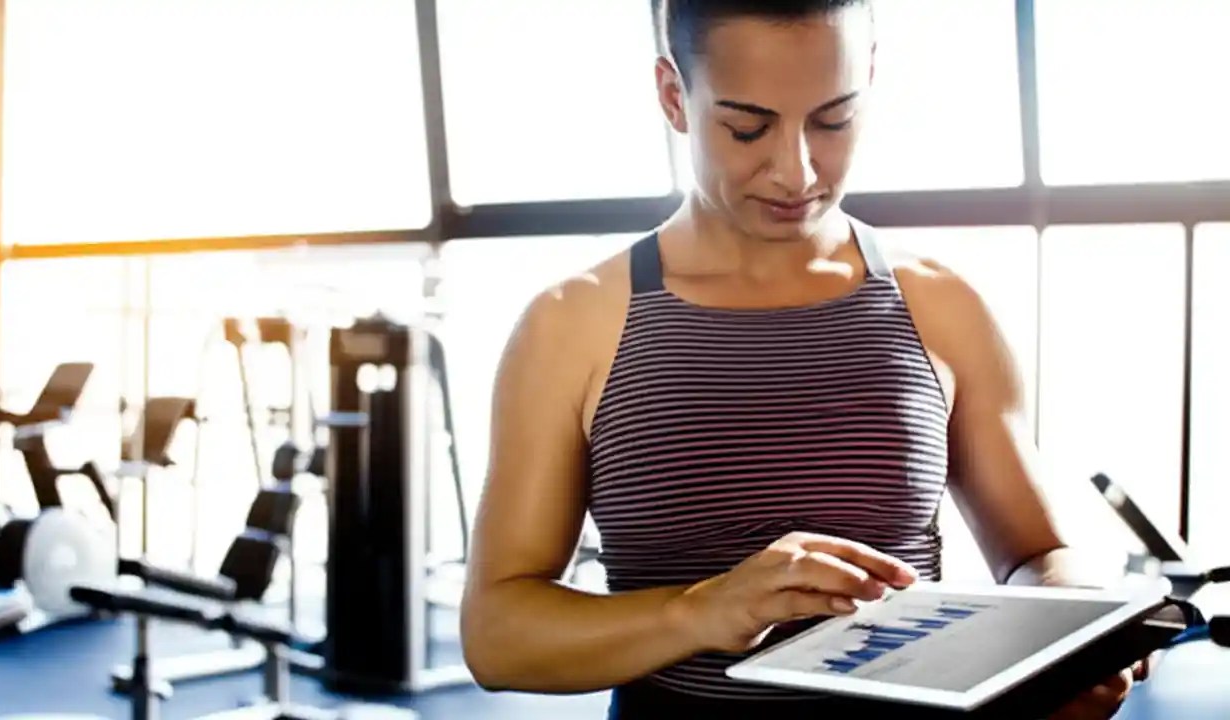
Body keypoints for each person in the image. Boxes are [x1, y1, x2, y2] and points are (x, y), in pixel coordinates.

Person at [460, 1, 1150, 717]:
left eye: (833, 120)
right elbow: (497, 637)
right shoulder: (573, 324)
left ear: (870, 82)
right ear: (673, 96)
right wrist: (702, 611)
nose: (797, 172)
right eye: (747, 127)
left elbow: (1037, 555)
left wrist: (1078, 630)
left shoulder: (941, 304)